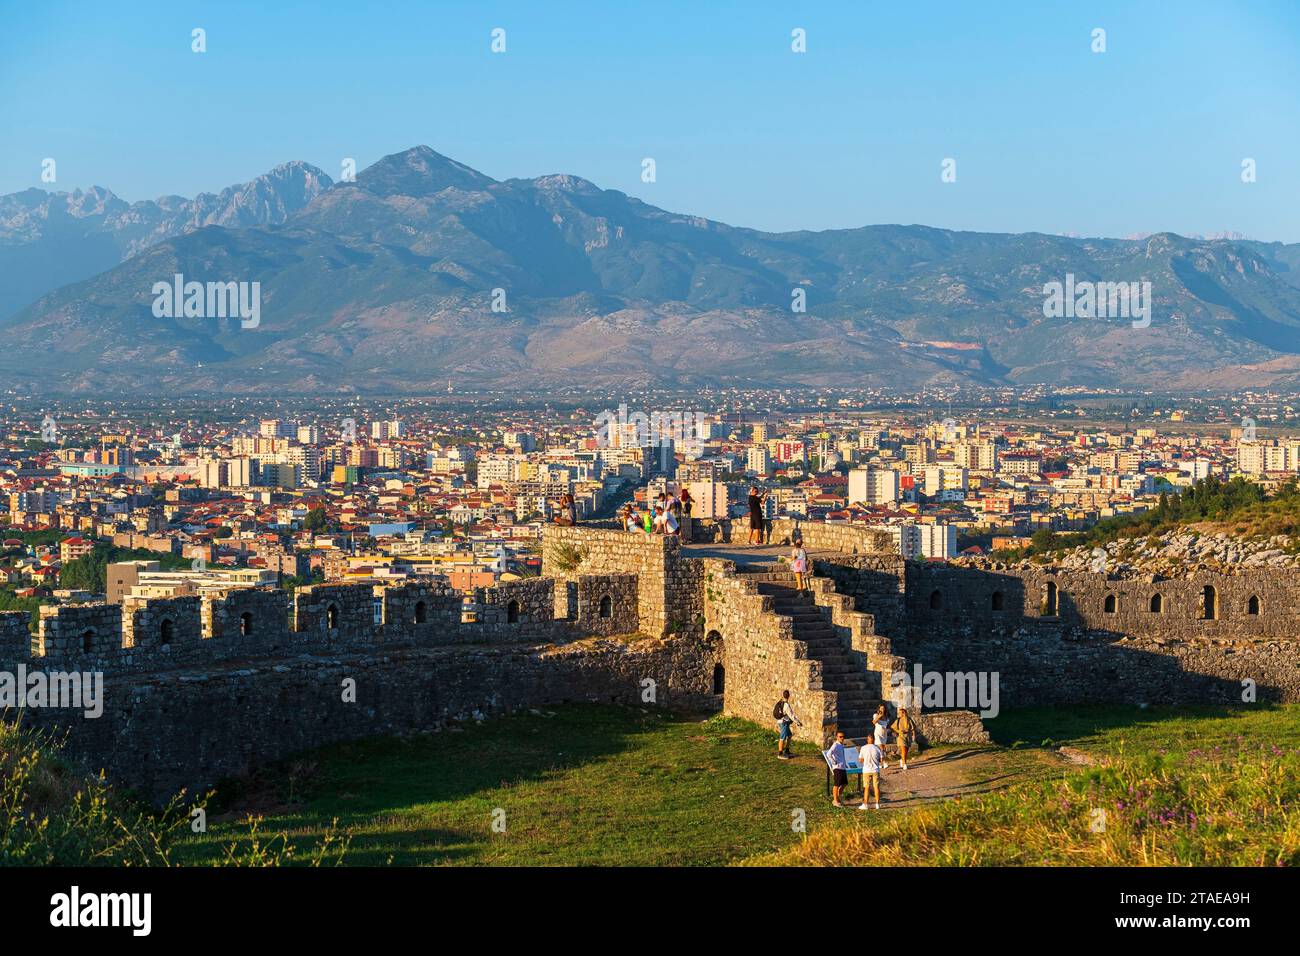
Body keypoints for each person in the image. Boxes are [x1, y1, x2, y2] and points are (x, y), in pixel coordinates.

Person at [858, 735, 883, 810]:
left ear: (867, 740)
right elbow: (881, 760)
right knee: (876, 787)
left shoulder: (863, 748)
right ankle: (877, 804)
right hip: (875, 770)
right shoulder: (877, 748)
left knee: (867, 787)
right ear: (874, 740)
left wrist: (865, 761)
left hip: (866, 770)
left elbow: (860, 760)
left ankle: (865, 804)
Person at [774, 689, 801, 759]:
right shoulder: (786, 705)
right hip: (784, 723)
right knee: (782, 738)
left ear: (783, 695)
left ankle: (787, 750)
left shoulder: (780, 702)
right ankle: (780, 754)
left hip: (780, 721)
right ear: (788, 696)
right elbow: (791, 715)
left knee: (789, 735)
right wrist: (798, 722)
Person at [827, 730, 849, 807]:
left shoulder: (841, 745)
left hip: (842, 767)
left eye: (843, 736)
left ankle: (838, 796)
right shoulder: (835, 745)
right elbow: (829, 754)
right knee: (837, 784)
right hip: (837, 768)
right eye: (840, 737)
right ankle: (835, 800)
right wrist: (834, 762)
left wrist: (844, 764)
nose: (842, 738)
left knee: (845, 783)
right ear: (837, 737)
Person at [895, 706, 917, 770]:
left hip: (908, 736)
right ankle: (905, 764)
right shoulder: (898, 720)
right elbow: (893, 727)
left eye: (900, 713)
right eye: (898, 713)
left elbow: (913, 728)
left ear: (904, 713)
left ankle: (902, 759)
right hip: (900, 736)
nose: (899, 714)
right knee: (903, 749)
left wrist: (914, 735)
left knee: (905, 751)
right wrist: (899, 731)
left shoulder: (909, 719)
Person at [872, 704, 890, 770]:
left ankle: (879, 763)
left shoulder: (886, 717)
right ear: (879, 709)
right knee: (881, 748)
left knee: (882, 749)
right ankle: (884, 762)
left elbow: (887, 726)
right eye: (881, 708)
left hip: (884, 734)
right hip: (877, 734)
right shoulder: (876, 715)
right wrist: (879, 716)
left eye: (883, 708)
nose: (883, 709)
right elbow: (874, 722)